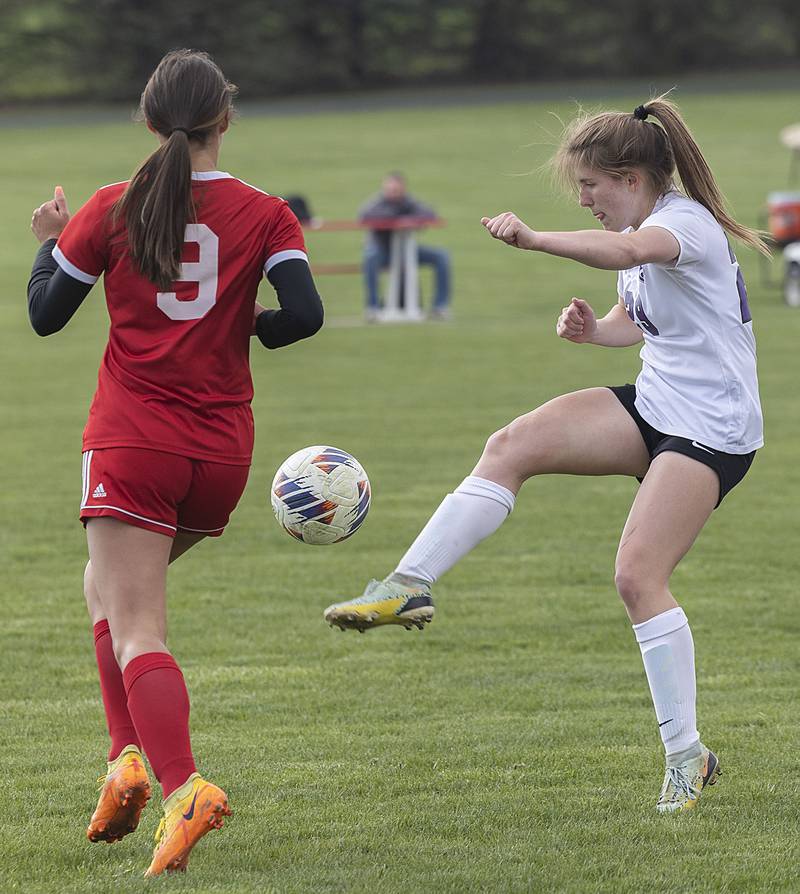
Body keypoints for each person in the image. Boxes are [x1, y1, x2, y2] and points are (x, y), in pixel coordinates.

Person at [324, 96, 767, 814]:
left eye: (590, 187)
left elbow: (627, 254)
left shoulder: (678, 222)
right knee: (513, 444)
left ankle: (688, 757)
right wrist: (598, 332)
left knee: (636, 577)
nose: (585, 201)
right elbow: (643, 317)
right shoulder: (644, 225)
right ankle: (407, 584)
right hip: (656, 408)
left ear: (629, 177)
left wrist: (534, 240)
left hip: (711, 430)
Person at [27, 49, 323, 876]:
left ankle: (180, 783)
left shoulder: (112, 206)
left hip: (132, 442)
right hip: (221, 453)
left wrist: (49, 246)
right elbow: (304, 314)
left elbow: (47, 316)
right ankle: (122, 758)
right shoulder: (266, 213)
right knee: (106, 591)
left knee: (137, 626)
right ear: (225, 119)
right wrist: (252, 329)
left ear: (150, 123)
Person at [359, 172, 451, 320]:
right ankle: (373, 308)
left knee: (441, 256)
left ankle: (440, 307)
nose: (393, 193)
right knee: (370, 256)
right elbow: (365, 216)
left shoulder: (409, 202)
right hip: (383, 251)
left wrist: (408, 218)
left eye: (396, 190)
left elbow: (429, 213)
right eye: (390, 190)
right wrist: (396, 217)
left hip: (407, 251)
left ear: (403, 189)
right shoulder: (377, 204)